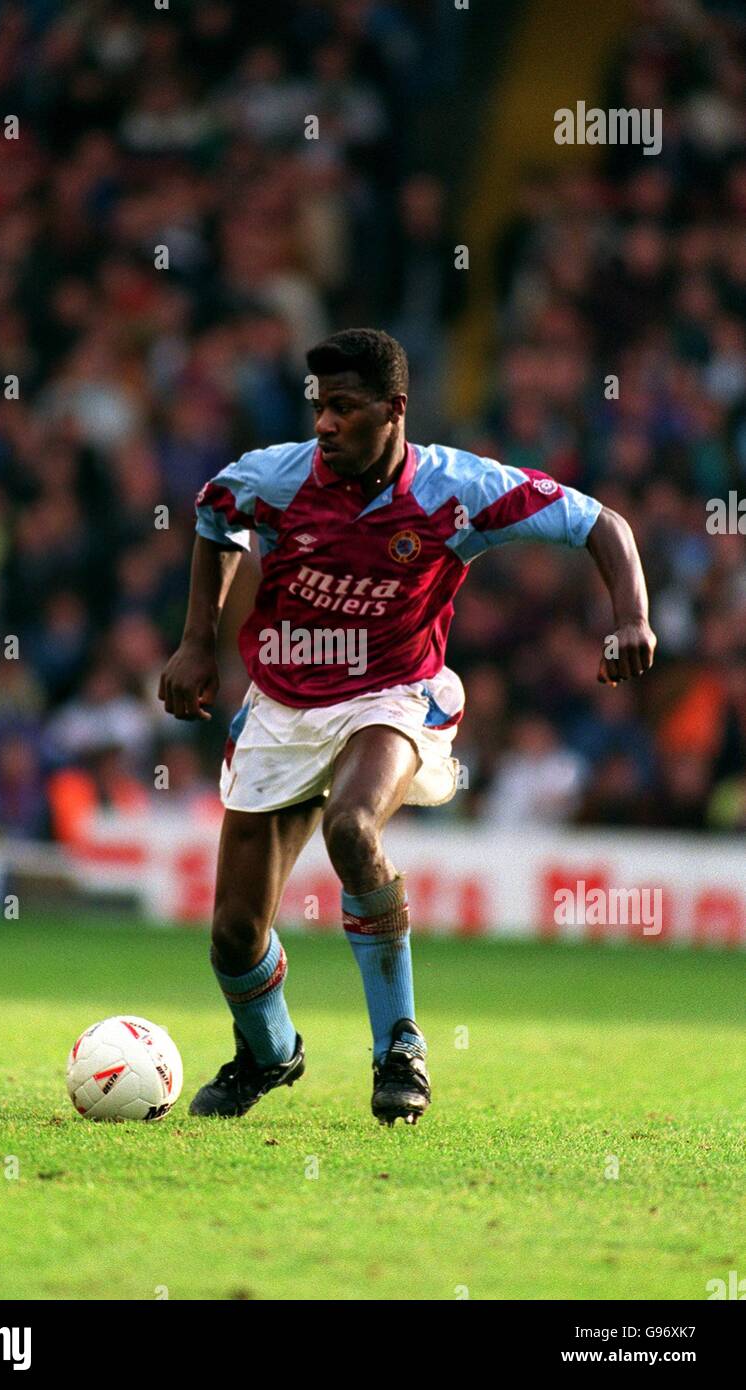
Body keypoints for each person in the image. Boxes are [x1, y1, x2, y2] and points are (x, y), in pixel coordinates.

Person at [158, 328, 656, 1125]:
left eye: (344, 408)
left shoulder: (459, 490)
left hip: (395, 693)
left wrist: (630, 616)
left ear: (393, 410)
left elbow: (602, 523)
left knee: (352, 828)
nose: (325, 424)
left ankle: (400, 1047)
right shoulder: (273, 480)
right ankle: (270, 1053)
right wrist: (194, 643)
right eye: (320, 407)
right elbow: (215, 517)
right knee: (233, 936)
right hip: (285, 705)